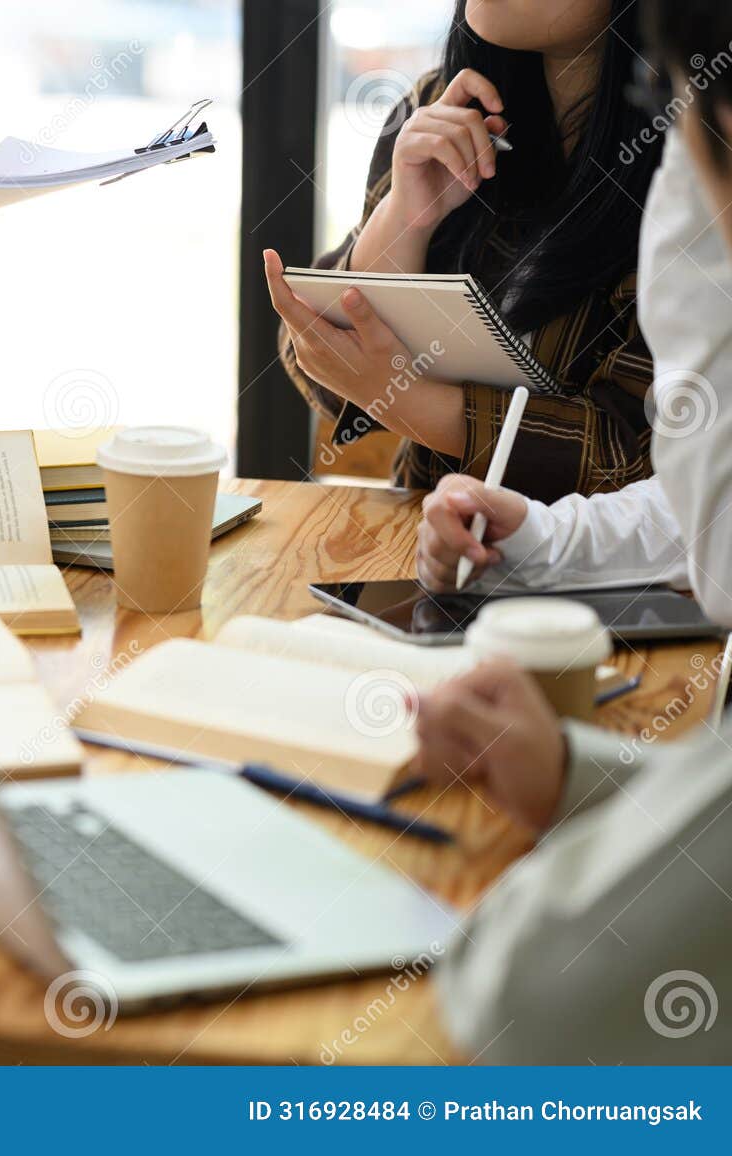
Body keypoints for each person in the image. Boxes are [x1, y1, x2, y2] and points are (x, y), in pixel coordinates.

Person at [411, 0, 732, 1062]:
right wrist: (545, 542)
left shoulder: (661, 173)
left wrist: (425, 409)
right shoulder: (450, 114)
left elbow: (531, 999)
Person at [264, 0, 661, 503]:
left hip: (583, 556)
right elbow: (323, 367)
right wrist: (405, 218)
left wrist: (403, 399)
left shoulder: (696, 154)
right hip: (425, 536)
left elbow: (637, 460)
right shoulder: (443, 105)